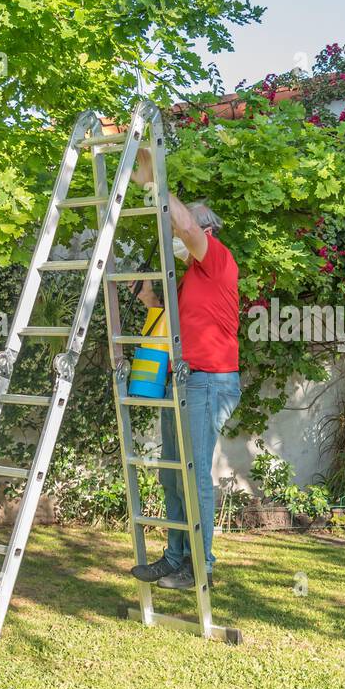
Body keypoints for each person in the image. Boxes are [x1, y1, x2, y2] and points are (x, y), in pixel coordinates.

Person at [127, 150, 241, 591]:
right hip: (184, 379)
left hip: (209, 380)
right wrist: (143, 294)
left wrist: (156, 180)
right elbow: (163, 310)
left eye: (182, 228)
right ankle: (175, 558)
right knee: (172, 472)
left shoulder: (217, 260)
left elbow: (187, 226)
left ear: (205, 231)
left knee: (193, 473)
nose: (175, 234)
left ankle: (201, 564)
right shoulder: (191, 278)